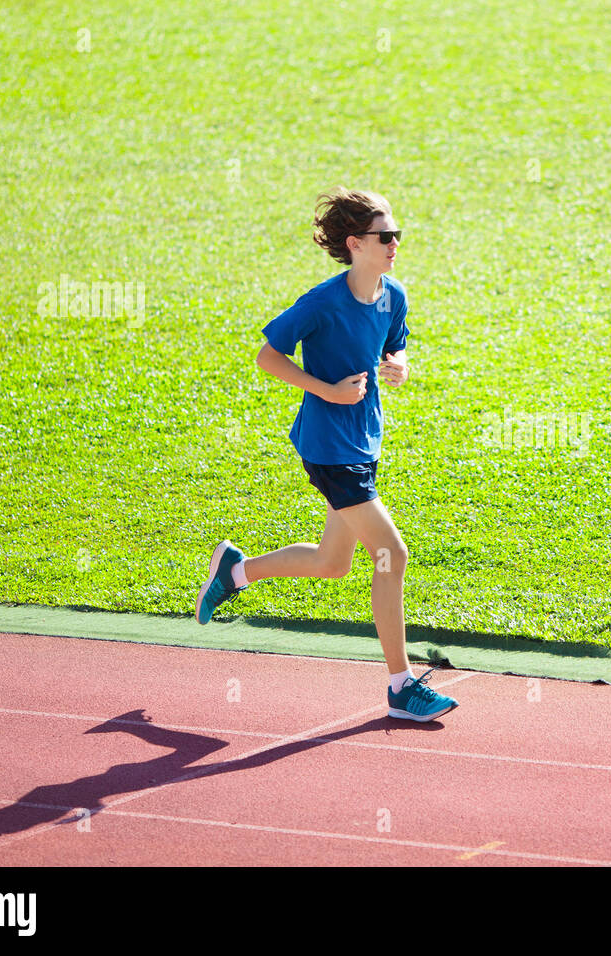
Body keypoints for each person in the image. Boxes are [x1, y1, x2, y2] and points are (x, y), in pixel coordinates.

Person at [194, 187, 458, 722]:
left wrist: (399, 364)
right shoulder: (321, 302)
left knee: (332, 563)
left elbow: (394, 342)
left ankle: (236, 571)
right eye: (385, 236)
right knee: (393, 555)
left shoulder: (392, 295)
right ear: (355, 243)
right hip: (328, 448)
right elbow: (270, 357)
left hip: (365, 442)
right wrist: (326, 390)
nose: (395, 244)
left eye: (397, 235)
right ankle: (401, 686)